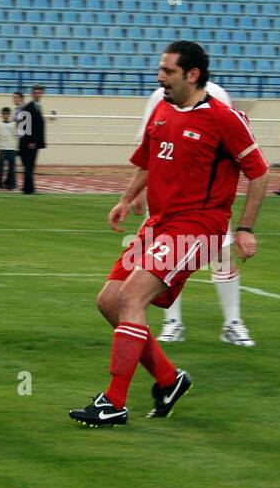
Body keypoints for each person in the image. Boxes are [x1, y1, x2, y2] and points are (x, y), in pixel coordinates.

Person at [68, 40, 269, 427]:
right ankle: (168, 379)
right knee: (109, 300)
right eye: (161, 69)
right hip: (158, 223)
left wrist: (244, 228)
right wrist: (126, 200)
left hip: (198, 228)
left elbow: (259, 173)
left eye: (169, 71)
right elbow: (147, 160)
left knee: (131, 296)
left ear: (192, 75)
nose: (160, 77)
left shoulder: (224, 118)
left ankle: (114, 401)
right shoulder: (162, 109)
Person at [134, 79, 256, 347]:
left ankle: (233, 323)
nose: (164, 76)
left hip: (206, 206)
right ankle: (172, 323)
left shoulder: (218, 95)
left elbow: (235, 152)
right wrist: (136, 194)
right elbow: (151, 151)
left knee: (221, 257)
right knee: (162, 264)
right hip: (165, 203)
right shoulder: (159, 97)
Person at [17, 86, 46, 195]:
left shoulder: (37, 106)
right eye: (36, 92)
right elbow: (26, 125)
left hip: (34, 142)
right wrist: (31, 141)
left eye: (39, 92)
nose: (37, 94)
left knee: (30, 166)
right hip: (30, 143)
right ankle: (28, 189)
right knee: (29, 166)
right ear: (32, 94)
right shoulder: (29, 107)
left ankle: (28, 188)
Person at [0, 106, 18, 189]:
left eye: (7, 114)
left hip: (11, 149)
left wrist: (16, 148)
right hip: (2, 149)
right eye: (4, 114)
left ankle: (12, 184)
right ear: (1, 115)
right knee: (0, 168)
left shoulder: (13, 124)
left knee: (12, 169)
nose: (5, 115)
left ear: (9, 115)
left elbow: (16, 136)